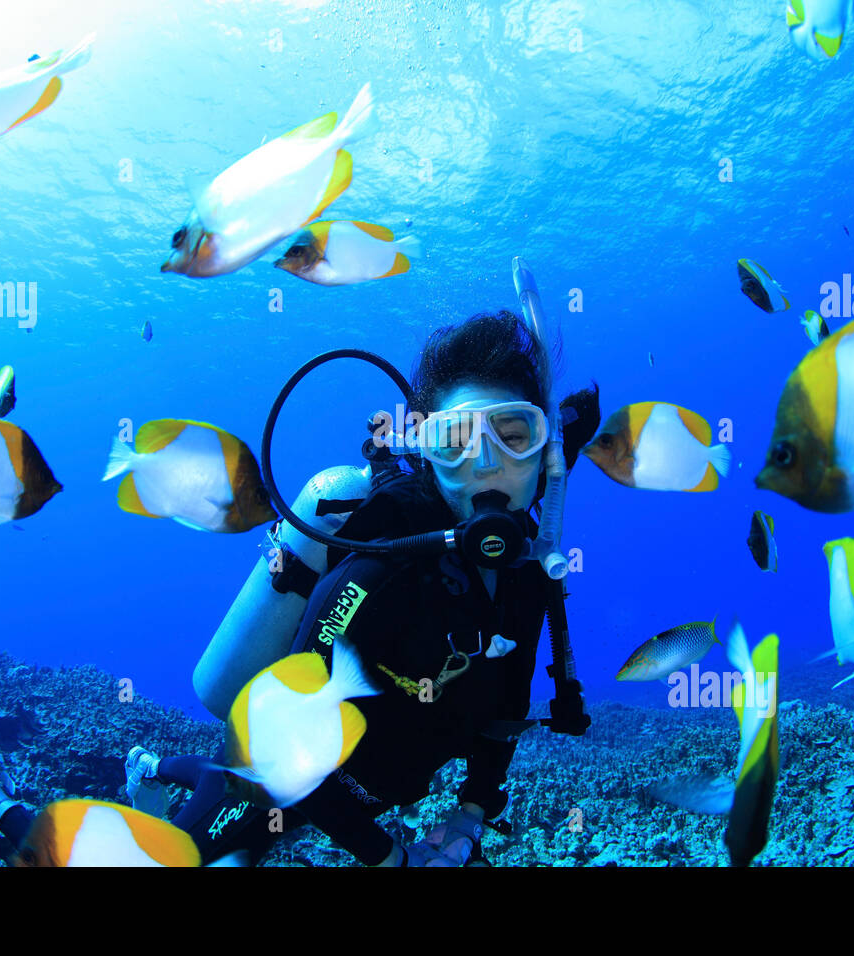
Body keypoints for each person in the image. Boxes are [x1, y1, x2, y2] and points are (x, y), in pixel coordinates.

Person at [175, 309, 600, 866]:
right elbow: (282, 744)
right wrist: (389, 858)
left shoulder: (527, 571)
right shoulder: (384, 564)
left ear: (547, 457)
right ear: (428, 454)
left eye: (514, 435)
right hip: (279, 779)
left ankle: (155, 768)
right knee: (185, 852)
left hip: (381, 795)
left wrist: (468, 820)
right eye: (455, 441)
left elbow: (509, 702)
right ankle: (139, 772)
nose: (488, 464)